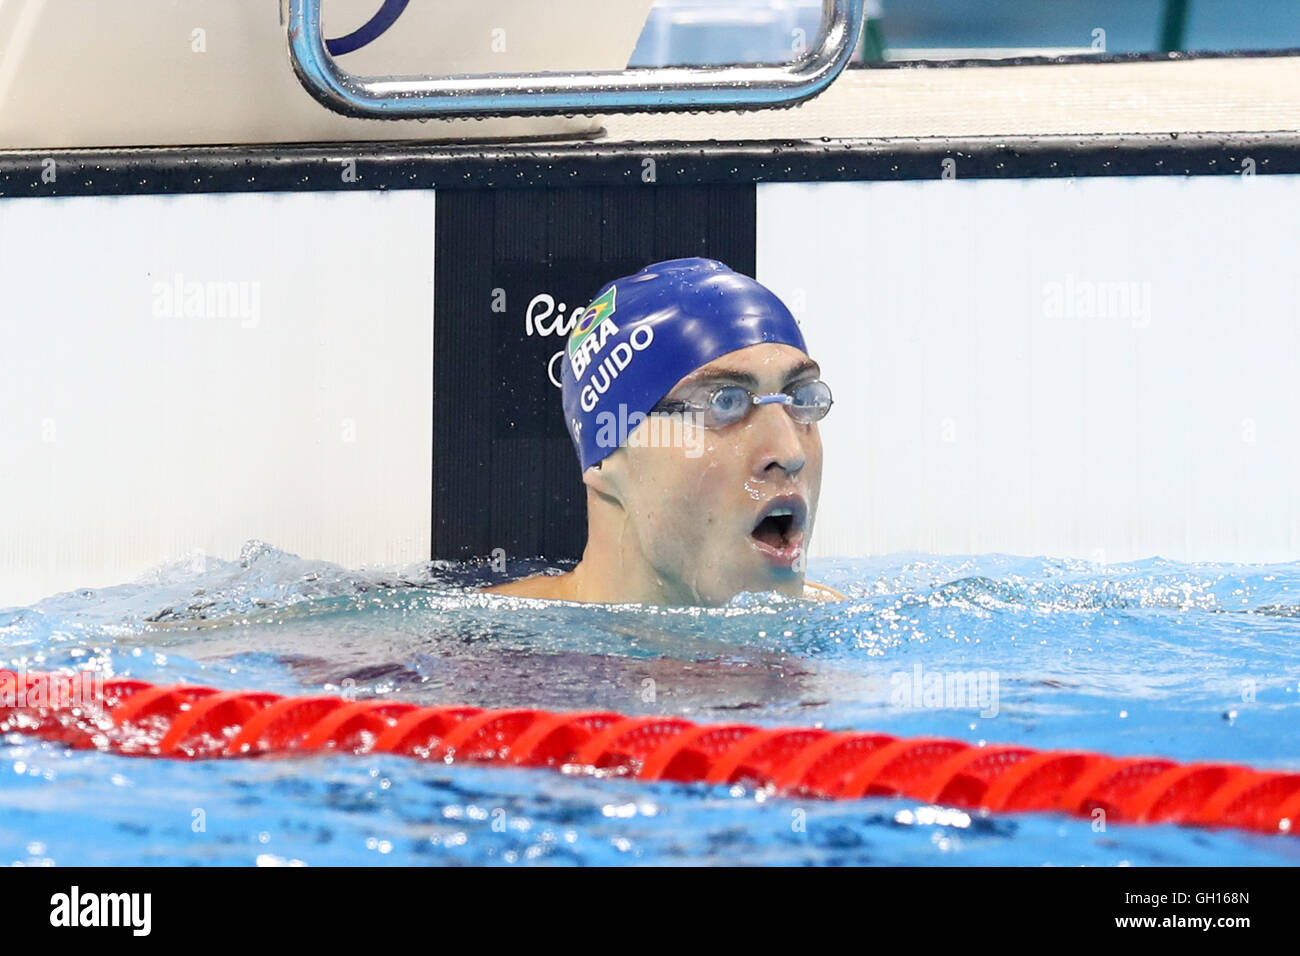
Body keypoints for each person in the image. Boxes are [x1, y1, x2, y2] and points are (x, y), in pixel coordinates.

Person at [484, 257, 844, 606]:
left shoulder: (839, 636)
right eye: (724, 403)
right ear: (606, 454)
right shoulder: (490, 649)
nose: (790, 453)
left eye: (801, 397)